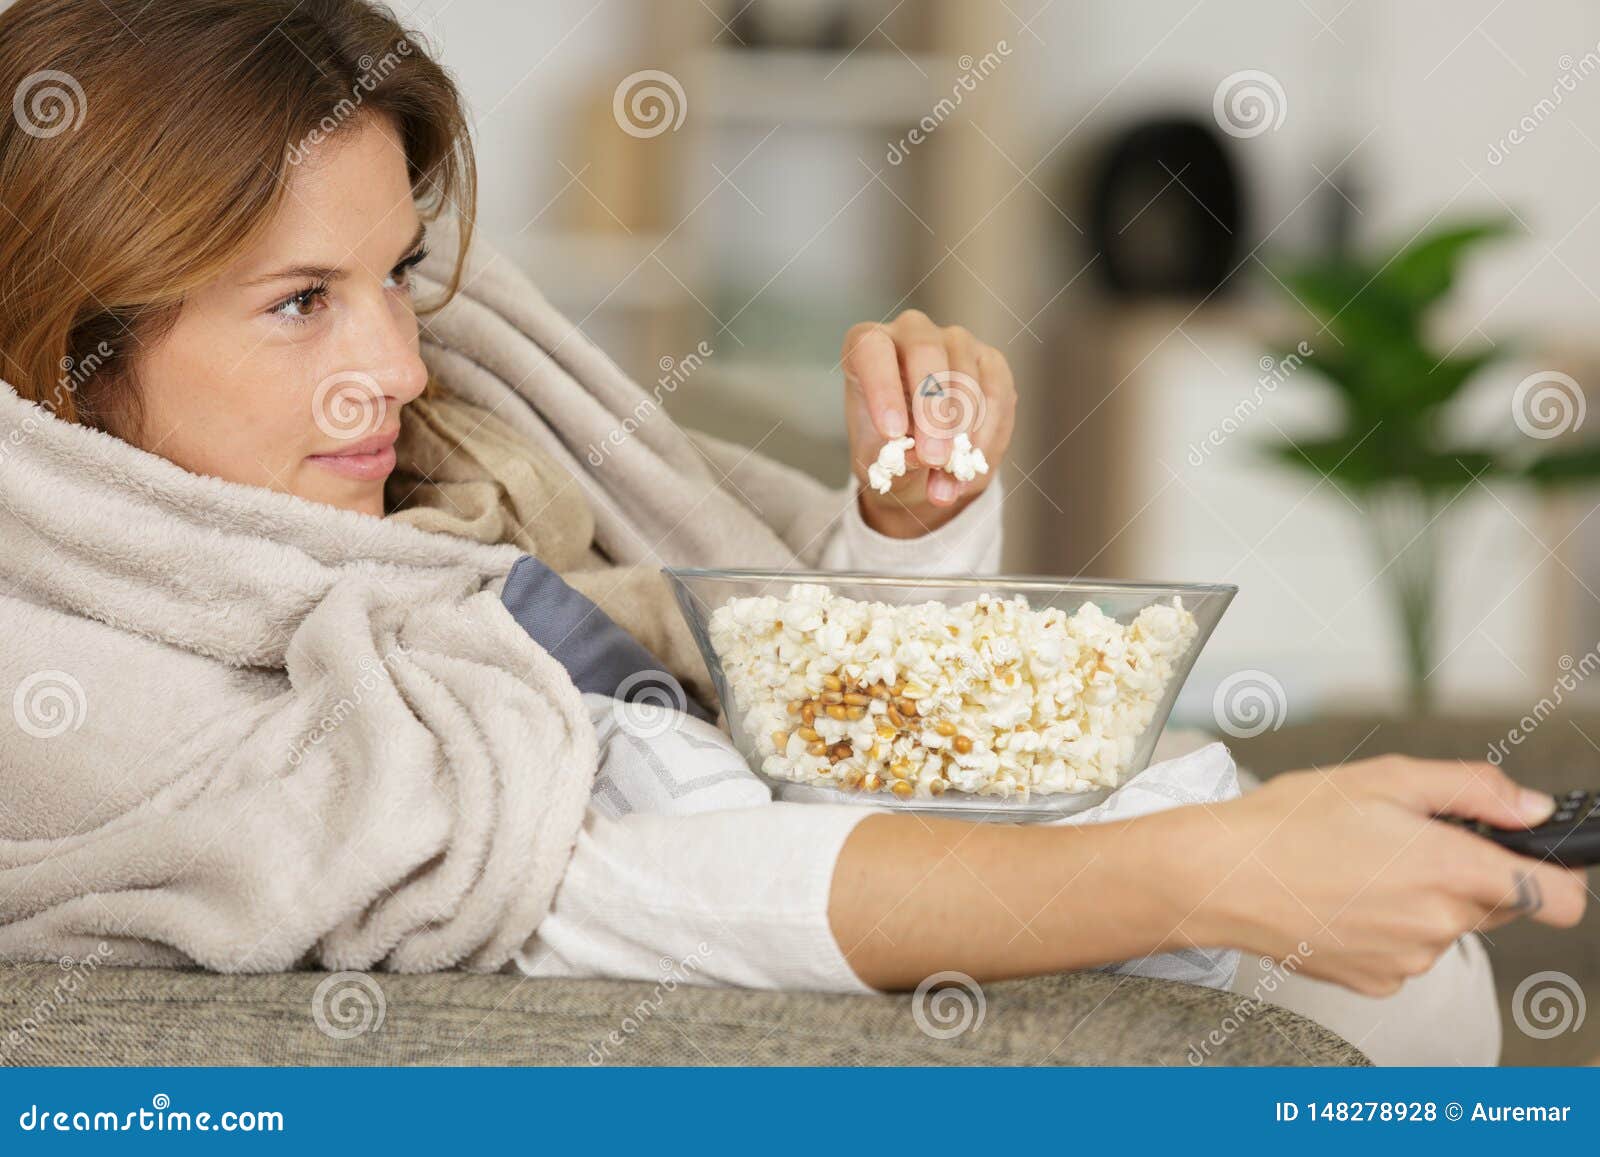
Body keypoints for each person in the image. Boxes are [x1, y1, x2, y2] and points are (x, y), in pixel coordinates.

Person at [0, 0, 1580, 1065]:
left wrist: (904, 530)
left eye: (396, 279)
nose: (403, 368)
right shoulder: (67, 680)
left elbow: (790, 738)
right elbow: (616, 888)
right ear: (65, 343)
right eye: (298, 304)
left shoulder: (472, 479)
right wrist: (1197, 872)